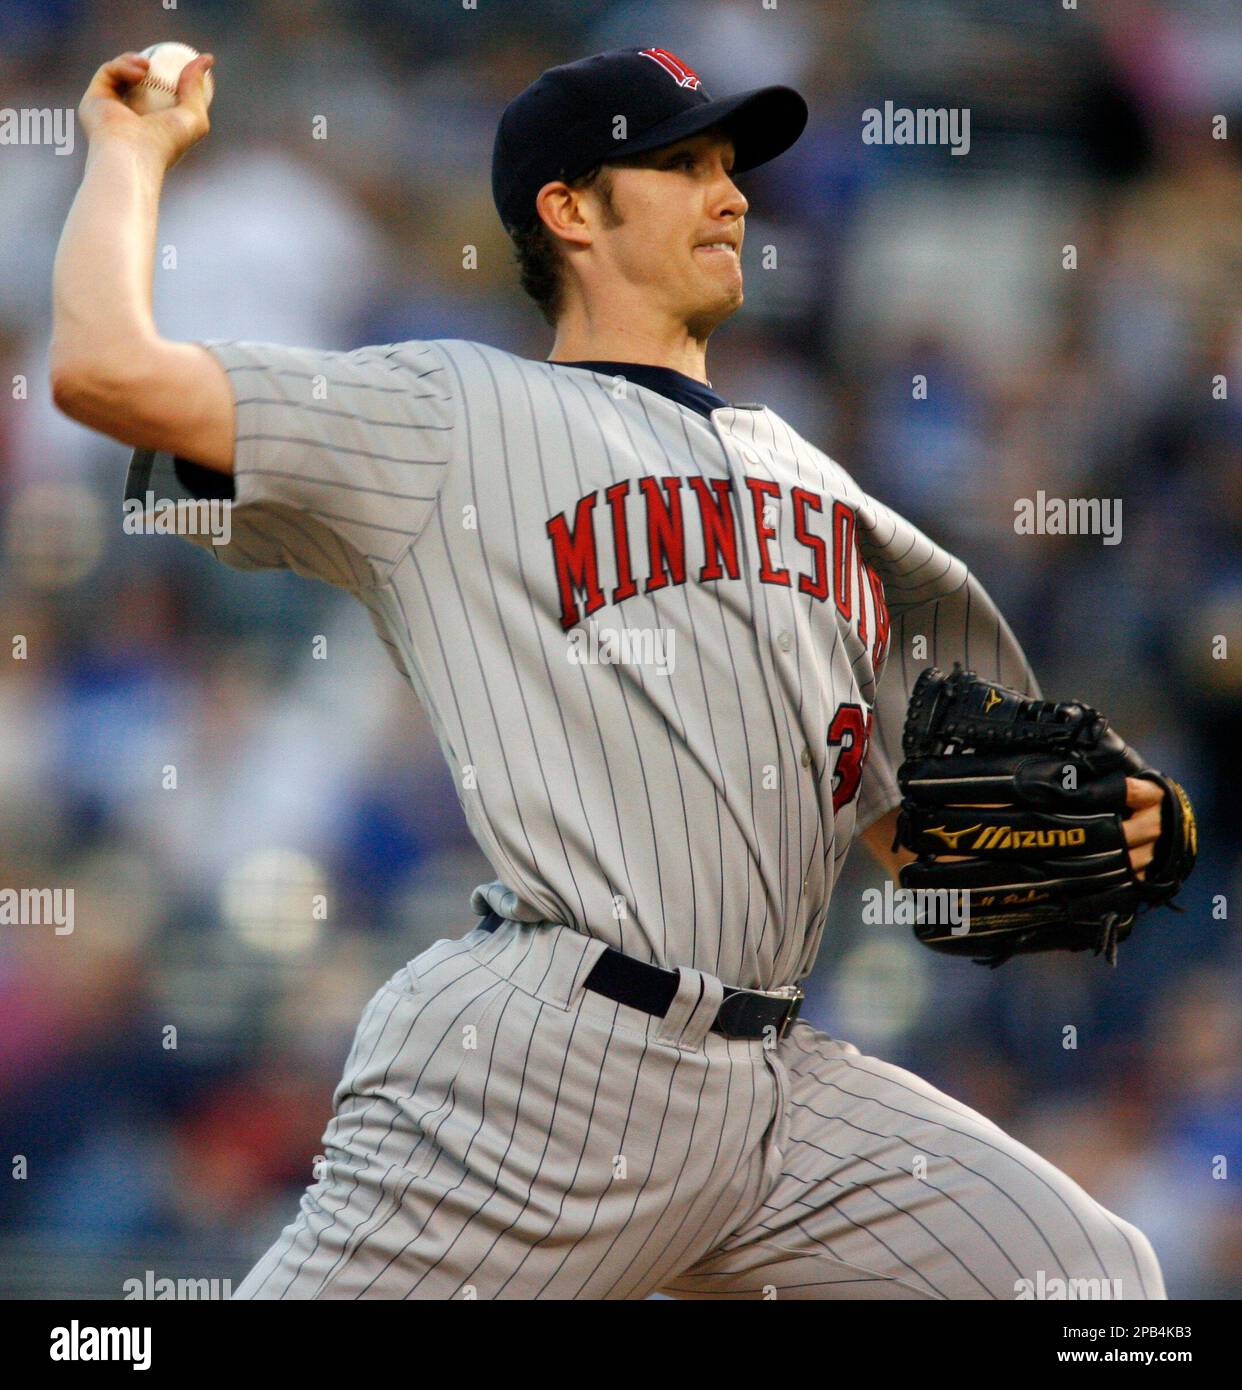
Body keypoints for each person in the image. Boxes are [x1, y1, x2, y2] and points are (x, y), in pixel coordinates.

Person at [51, 46, 1168, 1299]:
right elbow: (105, 372)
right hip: (548, 1071)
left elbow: (935, 851)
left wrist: (1094, 852)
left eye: (729, 166)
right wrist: (130, 154)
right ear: (569, 209)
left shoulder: (824, 490)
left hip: (776, 1098)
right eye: (683, 163)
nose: (730, 194)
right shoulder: (453, 412)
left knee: (1085, 1280)